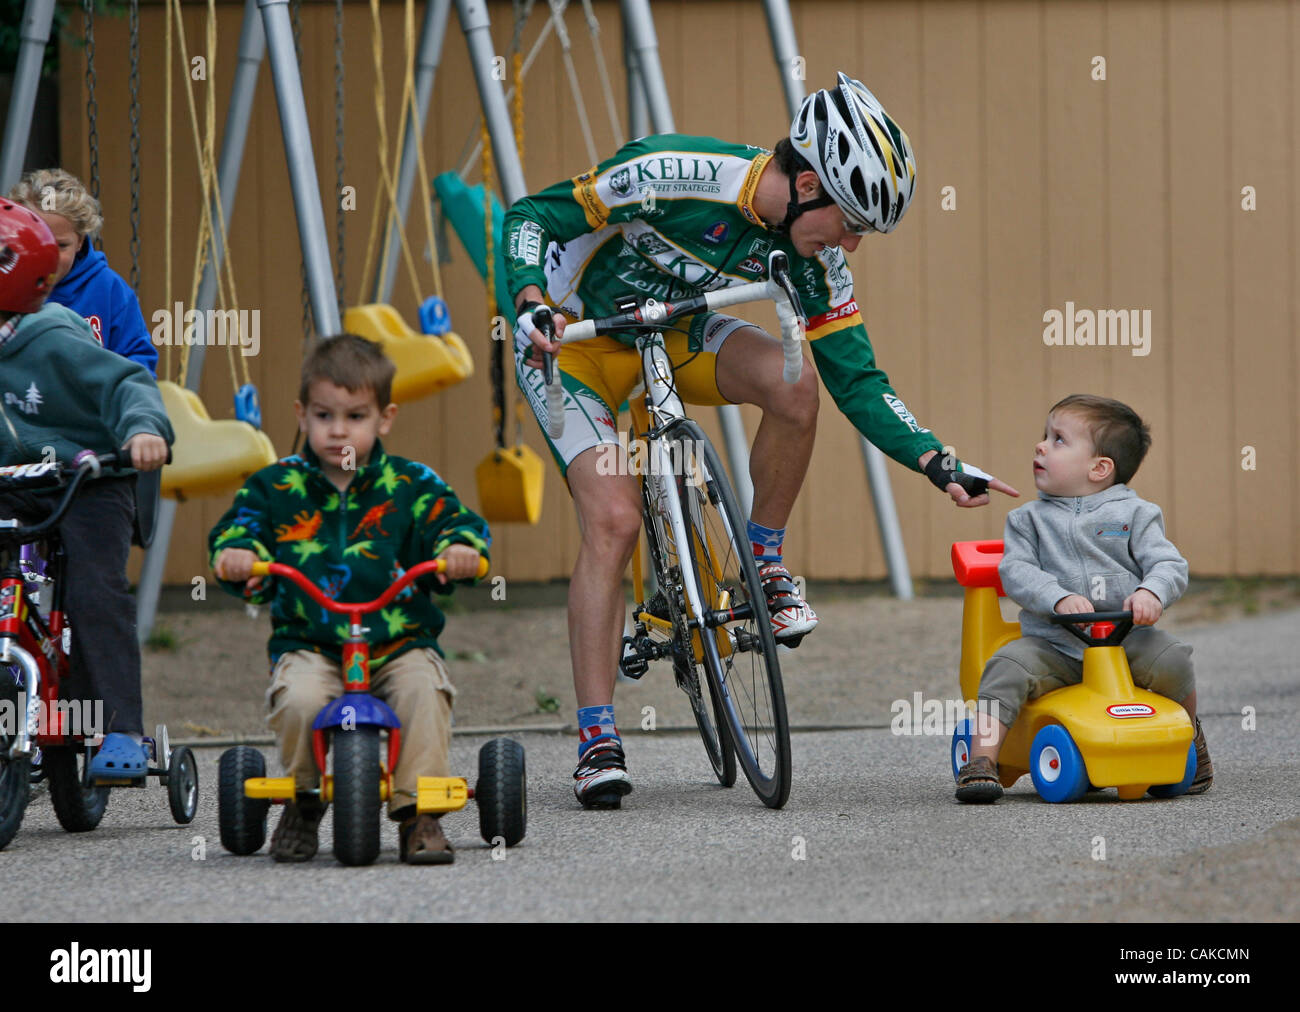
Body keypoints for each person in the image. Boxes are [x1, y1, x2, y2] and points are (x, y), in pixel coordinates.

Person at [502, 72, 1018, 808]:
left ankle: (762, 565)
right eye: (849, 223)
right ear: (806, 182)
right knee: (613, 522)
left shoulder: (815, 258)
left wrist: (936, 461)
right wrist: (528, 297)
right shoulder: (674, 173)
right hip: (573, 338)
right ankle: (595, 737)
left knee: (794, 384)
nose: (850, 245)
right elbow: (530, 215)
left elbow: (857, 381)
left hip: (670, 326)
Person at [209, 334, 491, 863]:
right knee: (298, 697)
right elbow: (238, 531)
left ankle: (420, 813)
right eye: (324, 415)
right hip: (313, 644)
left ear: (384, 418)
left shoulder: (410, 484)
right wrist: (238, 556)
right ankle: (303, 801)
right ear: (302, 414)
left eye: (356, 416)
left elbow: (456, 523)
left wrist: (458, 549)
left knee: (423, 692)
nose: (338, 429)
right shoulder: (274, 487)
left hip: (397, 641)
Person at [954, 394, 1212, 803]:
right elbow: (1016, 572)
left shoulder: (1136, 515)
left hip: (1125, 643)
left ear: (1100, 468)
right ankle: (982, 762)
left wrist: (1151, 591)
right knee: (1005, 667)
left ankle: (1191, 741)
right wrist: (1056, 598)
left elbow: (1170, 564)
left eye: (1058, 440)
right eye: (1044, 436)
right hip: (1053, 646)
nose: (1040, 446)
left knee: (1176, 658)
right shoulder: (1027, 521)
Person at [0, 199, 172, 775]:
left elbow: (128, 383)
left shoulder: (54, 333)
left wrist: (144, 430)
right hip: (11, 481)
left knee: (95, 588)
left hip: (87, 473)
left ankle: (121, 731)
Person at [8, 168, 157, 375]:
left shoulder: (109, 289)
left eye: (60, 246)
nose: (48, 256)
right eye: (35, 240)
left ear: (80, 241)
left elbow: (138, 363)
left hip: (90, 404)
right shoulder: (6, 281)